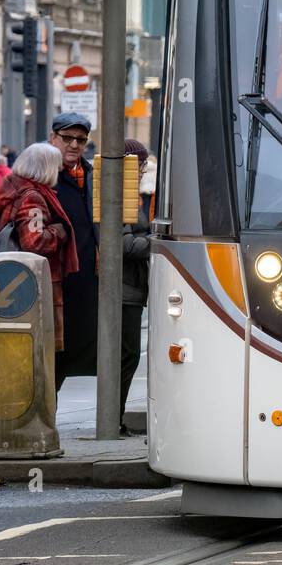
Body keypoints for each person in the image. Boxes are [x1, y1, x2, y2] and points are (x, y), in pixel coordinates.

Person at [0, 143, 79, 354]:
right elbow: (34, 242)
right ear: (44, 167)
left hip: (14, 278)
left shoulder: (13, 187)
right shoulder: (33, 196)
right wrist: (59, 230)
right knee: (39, 349)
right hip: (33, 281)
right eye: (56, 165)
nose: (59, 170)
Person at [48, 112, 98, 391]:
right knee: (50, 350)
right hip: (55, 277)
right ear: (53, 138)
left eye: (80, 140)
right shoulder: (44, 176)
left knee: (76, 346)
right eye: (67, 138)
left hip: (85, 277)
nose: (74, 145)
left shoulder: (90, 176)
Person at [120, 139, 152, 434]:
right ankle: (112, 418)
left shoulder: (132, 194)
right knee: (127, 354)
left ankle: (114, 417)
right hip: (123, 289)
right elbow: (122, 244)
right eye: (141, 164)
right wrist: (155, 241)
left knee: (127, 355)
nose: (143, 169)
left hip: (131, 288)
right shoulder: (118, 196)